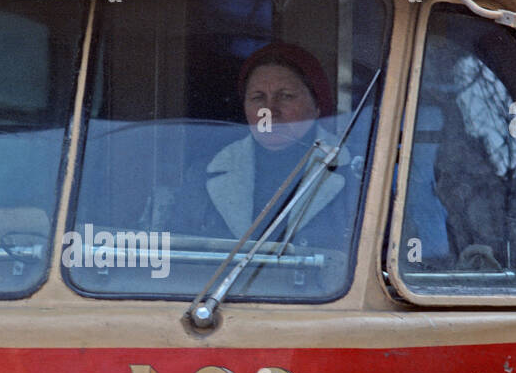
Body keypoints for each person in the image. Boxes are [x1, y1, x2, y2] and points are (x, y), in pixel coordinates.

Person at [143, 43, 356, 247]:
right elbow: (178, 256)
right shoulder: (205, 174)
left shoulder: (355, 173)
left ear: (317, 106)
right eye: (258, 98)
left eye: (286, 96)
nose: (270, 111)